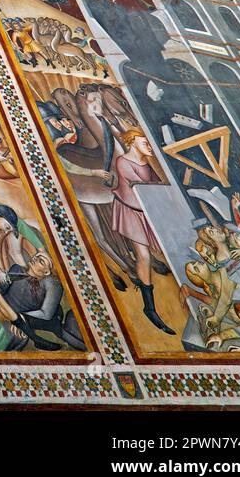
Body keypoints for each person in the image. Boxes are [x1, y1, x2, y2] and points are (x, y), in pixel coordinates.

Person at [101, 128, 174, 334]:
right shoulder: (123, 162)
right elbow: (141, 187)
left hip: (147, 211)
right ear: (132, 142)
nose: (149, 147)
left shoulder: (146, 163)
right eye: (145, 143)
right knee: (144, 257)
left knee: (161, 251)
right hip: (131, 212)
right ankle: (149, 308)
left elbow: (154, 184)